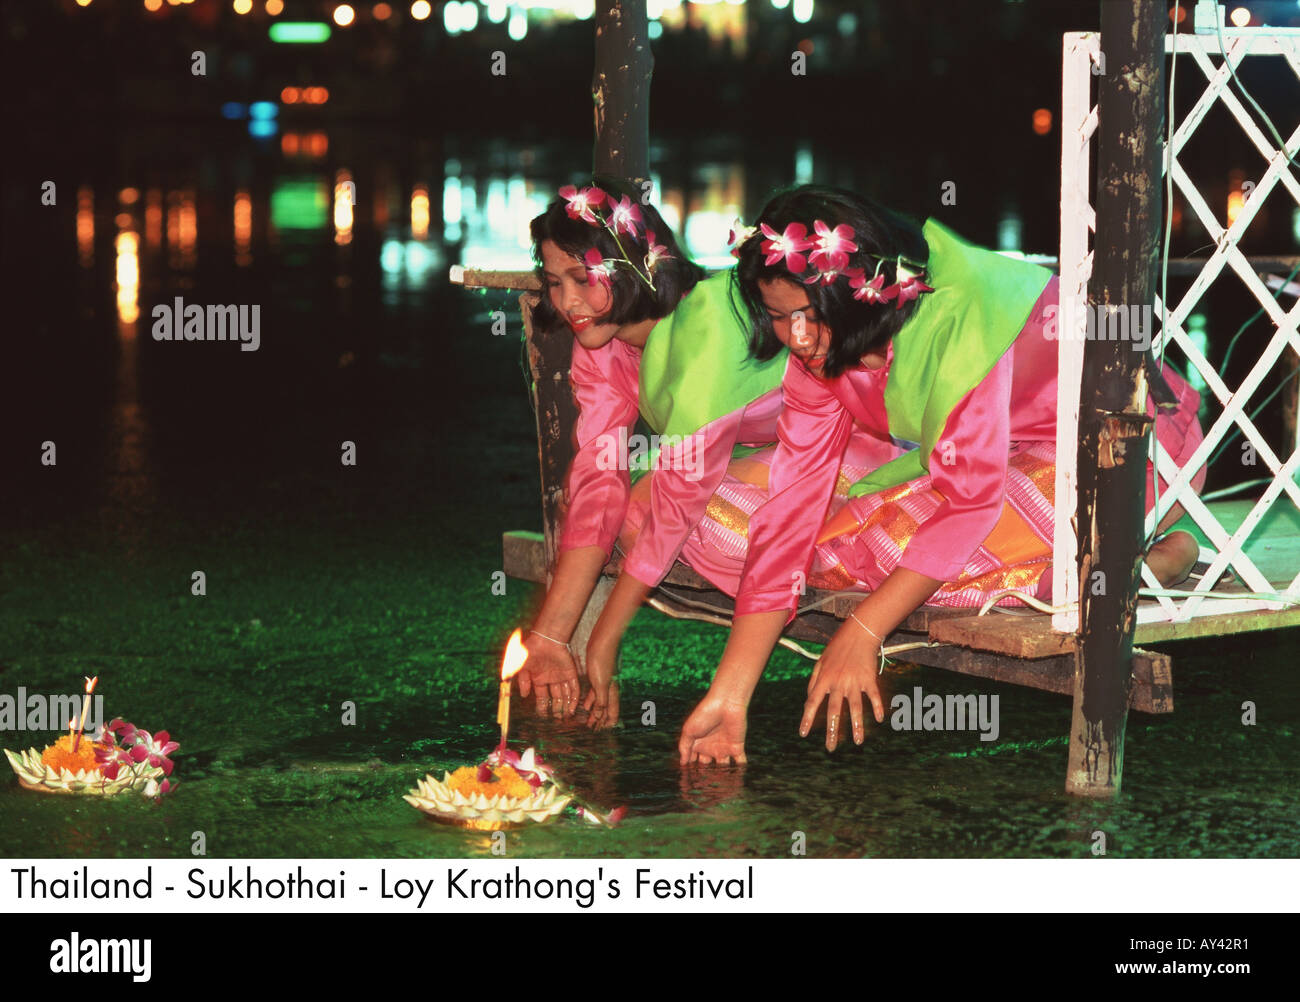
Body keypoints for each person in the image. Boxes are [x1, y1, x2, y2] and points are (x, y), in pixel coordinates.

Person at [670, 184, 1206, 764]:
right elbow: (790, 509)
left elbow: (971, 504)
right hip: (1000, 453)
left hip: (1123, 448)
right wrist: (729, 696)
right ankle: (1089, 558)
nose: (796, 338)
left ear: (860, 293)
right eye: (780, 317)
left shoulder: (961, 317)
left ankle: (1143, 561)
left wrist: (864, 630)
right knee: (722, 520)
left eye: (811, 315)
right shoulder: (819, 354)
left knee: (898, 553)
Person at [516, 177, 820, 725]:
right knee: (623, 494)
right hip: (734, 469)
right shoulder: (602, 346)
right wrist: (550, 636)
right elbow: (599, 476)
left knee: (653, 501)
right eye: (555, 283)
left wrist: (604, 636)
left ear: (636, 266)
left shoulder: (710, 325)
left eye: (583, 279)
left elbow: (679, 492)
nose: (567, 303)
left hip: (833, 461)